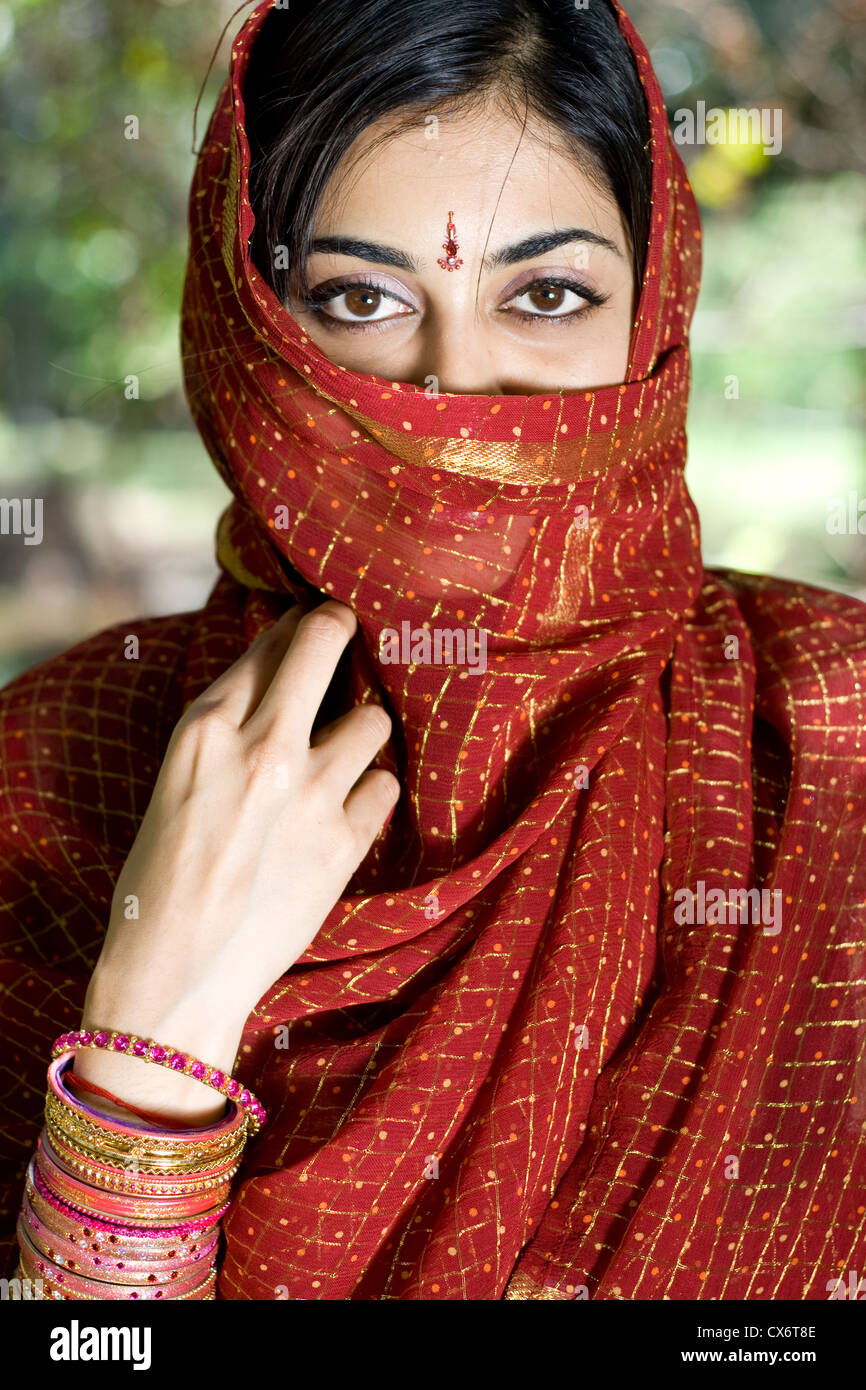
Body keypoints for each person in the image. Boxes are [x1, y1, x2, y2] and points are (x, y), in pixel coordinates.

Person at [1, 0, 864, 1302]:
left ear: (654, 311)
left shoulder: (830, 742)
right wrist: (148, 1037)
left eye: (548, 294)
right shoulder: (52, 774)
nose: (456, 399)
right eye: (360, 299)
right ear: (249, 336)